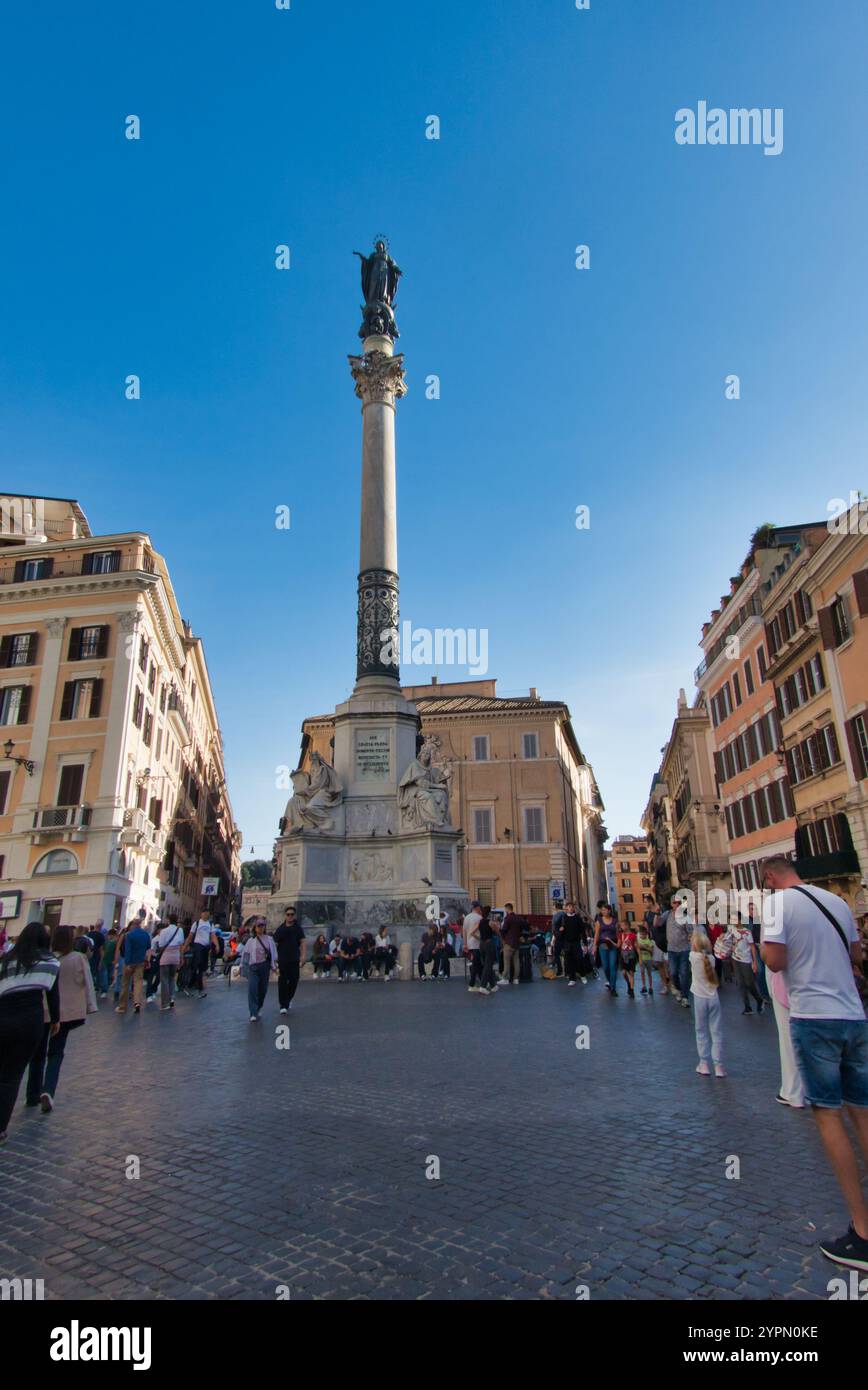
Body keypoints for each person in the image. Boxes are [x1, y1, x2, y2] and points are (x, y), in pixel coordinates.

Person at [761, 856, 868, 1271]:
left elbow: (775, 960)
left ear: (770, 876)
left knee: (828, 1116)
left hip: (814, 1017)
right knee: (862, 1112)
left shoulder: (777, 905)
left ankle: (862, 1230)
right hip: (853, 1016)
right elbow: (856, 954)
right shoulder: (837, 902)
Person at [0, 923, 60, 1142]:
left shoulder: (7, 960)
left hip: (3, 1015)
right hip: (30, 1021)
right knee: (11, 1076)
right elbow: (53, 994)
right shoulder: (50, 962)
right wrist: (55, 1019)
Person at [26, 924, 96, 1112]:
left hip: (43, 1011)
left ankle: (32, 1094)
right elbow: (88, 983)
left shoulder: (44, 959)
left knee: (37, 1054)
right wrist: (90, 1006)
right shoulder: (78, 959)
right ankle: (48, 1089)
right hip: (65, 1014)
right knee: (56, 1053)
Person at [690, 929, 725, 1077]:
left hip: (699, 997)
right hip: (713, 998)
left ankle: (704, 1063)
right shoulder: (711, 959)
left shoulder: (692, 956)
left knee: (701, 1031)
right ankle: (719, 1066)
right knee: (716, 1032)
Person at [723, 915, 765, 1015]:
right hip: (735, 959)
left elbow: (753, 947)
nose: (733, 921)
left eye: (735, 919)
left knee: (749, 983)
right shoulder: (731, 929)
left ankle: (759, 1000)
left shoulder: (747, 932)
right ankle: (747, 1007)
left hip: (746, 960)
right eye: (731, 919)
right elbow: (726, 940)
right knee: (741, 984)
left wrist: (754, 962)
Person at [115, 914, 152, 1015]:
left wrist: (127, 963)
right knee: (138, 983)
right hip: (140, 962)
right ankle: (137, 1003)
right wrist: (147, 960)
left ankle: (122, 1006)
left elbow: (128, 950)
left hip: (130, 962)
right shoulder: (146, 935)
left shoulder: (129, 935)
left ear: (133, 925)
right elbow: (148, 948)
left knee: (125, 984)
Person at [241, 920, 276, 1021]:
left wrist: (274, 966)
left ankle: (259, 1007)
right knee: (253, 989)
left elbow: (273, 953)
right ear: (255, 928)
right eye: (259, 926)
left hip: (264, 966)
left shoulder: (269, 939)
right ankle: (253, 1012)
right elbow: (245, 955)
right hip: (253, 967)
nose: (261, 928)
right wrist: (242, 967)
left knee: (262, 990)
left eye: (262, 926)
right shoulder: (251, 941)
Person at [274, 906, 306, 1012]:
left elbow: (302, 942)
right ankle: (283, 1005)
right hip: (282, 960)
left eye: (292, 914)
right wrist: (274, 959)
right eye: (288, 914)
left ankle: (287, 999)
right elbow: (275, 944)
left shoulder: (298, 928)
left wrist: (303, 956)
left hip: (294, 959)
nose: (290, 916)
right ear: (285, 915)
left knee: (294, 980)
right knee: (282, 982)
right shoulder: (280, 929)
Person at [665, 895, 692, 1006]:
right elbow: (657, 923)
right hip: (671, 949)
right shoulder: (667, 915)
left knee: (684, 973)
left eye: (679, 903)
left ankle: (685, 996)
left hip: (684, 949)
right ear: (671, 904)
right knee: (673, 972)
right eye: (675, 903)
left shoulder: (686, 917)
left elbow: (690, 932)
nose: (677, 905)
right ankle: (679, 990)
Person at [185, 910, 218, 999]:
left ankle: (198, 989)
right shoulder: (196, 923)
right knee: (197, 966)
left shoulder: (210, 924)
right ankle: (191, 986)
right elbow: (190, 936)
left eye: (207, 914)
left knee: (201, 969)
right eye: (204, 913)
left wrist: (217, 945)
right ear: (201, 914)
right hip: (197, 946)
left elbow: (213, 935)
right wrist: (185, 947)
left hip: (205, 948)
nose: (206, 915)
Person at [154, 915, 185, 1011]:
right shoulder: (180, 931)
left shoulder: (164, 931)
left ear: (168, 921)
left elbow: (161, 944)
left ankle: (165, 1003)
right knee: (172, 978)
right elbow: (181, 943)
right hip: (175, 956)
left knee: (164, 979)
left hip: (166, 956)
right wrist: (181, 957)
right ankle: (172, 998)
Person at [593, 905, 620, 995]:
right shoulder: (599, 921)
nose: (603, 911)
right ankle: (609, 980)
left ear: (609, 910)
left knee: (613, 966)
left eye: (604, 910)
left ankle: (613, 987)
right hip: (602, 945)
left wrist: (619, 943)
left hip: (613, 945)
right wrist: (594, 946)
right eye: (602, 910)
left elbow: (618, 934)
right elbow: (596, 934)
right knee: (606, 967)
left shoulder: (615, 921)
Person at [559, 902, 585, 988]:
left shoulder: (577, 918)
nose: (570, 908)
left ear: (573, 908)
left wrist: (585, 943)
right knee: (569, 961)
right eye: (568, 907)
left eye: (571, 907)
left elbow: (582, 931)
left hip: (576, 942)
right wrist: (561, 930)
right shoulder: (563, 918)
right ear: (566, 908)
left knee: (579, 959)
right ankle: (572, 979)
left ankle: (582, 974)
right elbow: (559, 930)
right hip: (567, 943)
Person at [648, 898, 670, 994]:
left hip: (666, 940)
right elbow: (650, 926)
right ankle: (665, 985)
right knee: (660, 964)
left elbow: (657, 924)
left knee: (667, 964)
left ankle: (671, 983)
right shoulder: (648, 913)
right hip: (656, 940)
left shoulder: (665, 912)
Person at [499, 904, 523, 987]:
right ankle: (516, 979)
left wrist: (501, 934)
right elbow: (521, 930)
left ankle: (505, 978)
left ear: (506, 909)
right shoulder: (518, 918)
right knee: (516, 961)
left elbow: (504, 930)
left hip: (509, 943)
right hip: (516, 943)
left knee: (507, 961)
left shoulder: (508, 918)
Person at [464, 901, 483, 992]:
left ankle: (485, 983)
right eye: (480, 907)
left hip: (469, 944)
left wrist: (465, 944)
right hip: (477, 944)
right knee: (476, 965)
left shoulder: (466, 917)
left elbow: (464, 932)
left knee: (477, 964)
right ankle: (471, 985)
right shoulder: (479, 918)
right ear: (477, 907)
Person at [477, 910, 498, 995]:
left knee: (486, 965)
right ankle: (482, 986)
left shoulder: (479, 922)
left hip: (482, 944)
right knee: (488, 965)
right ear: (489, 914)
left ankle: (493, 985)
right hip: (489, 943)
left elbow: (472, 932)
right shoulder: (490, 923)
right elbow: (497, 931)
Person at [619, 920, 639, 999]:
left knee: (631, 973)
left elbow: (636, 946)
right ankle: (628, 983)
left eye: (623, 925)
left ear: (627, 926)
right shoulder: (621, 935)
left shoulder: (633, 935)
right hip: (623, 956)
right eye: (621, 926)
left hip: (631, 956)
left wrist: (640, 957)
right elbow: (619, 945)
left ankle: (631, 990)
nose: (622, 927)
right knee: (623, 973)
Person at [636, 920, 655, 996]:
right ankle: (644, 986)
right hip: (642, 958)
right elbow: (637, 948)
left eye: (643, 934)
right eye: (641, 934)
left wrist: (644, 947)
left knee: (649, 974)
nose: (642, 936)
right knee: (642, 973)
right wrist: (640, 958)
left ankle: (650, 987)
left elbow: (651, 950)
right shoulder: (638, 939)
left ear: (646, 934)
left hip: (649, 959)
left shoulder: (648, 940)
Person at [101, 926, 118, 1000]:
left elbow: (115, 952)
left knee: (108, 975)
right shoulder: (109, 942)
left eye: (109, 935)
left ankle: (105, 989)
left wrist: (115, 960)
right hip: (107, 960)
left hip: (109, 960)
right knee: (106, 974)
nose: (108, 936)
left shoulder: (113, 942)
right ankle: (105, 989)